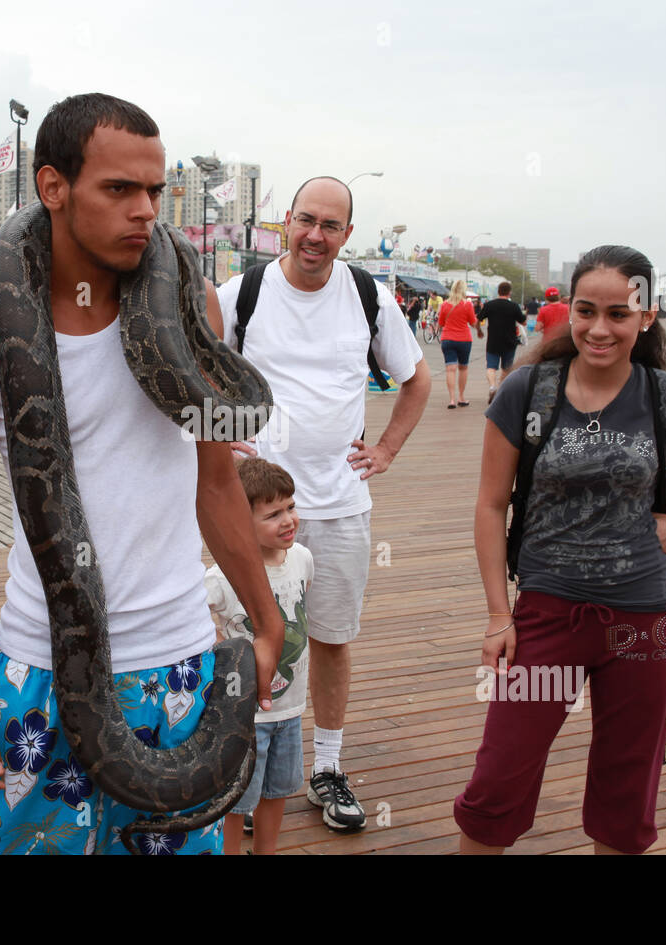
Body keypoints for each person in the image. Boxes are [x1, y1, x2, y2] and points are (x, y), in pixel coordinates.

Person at [0, 92, 283, 856]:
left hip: (180, 664)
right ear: (53, 188)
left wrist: (266, 616)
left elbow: (216, 482)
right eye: (119, 190)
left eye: (154, 191)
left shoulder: (197, 315)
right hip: (34, 669)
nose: (145, 211)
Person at [455, 244, 666, 855]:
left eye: (618, 314)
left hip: (644, 623)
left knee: (627, 792)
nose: (599, 329)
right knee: (498, 781)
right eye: (585, 311)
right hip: (547, 616)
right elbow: (491, 506)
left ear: (645, 317)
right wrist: (500, 614)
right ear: (568, 311)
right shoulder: (527, 391)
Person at [215, 175, 430, 831]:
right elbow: (193, 373)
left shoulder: (369, 296)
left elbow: (416, 378)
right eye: (306, 220)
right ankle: (245, 772)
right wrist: (218, 444)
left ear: (346, 234)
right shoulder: (241, 292)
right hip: (251, 506)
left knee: (331, 637)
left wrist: (387, 447)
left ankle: (327, 768)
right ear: (285, 221)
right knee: (243, 633)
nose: (315, 235)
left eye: (330, 225)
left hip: (337, 504)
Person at [206, 458, 312, 855]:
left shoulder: (302, 559)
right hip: (245, 717)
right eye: (272, 515)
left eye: (290, 508)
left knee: (279, 789)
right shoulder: (221, 575)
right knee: (236, 800)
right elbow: (198, 607)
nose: (288, 521)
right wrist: (218, 639)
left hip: (291, 709)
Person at [479, 280, 526, 403]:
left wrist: (479, 331)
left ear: (498, 291)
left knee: (491, 367)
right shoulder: (514, 306)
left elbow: (478, 319)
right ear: (509, 293)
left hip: (493, 341)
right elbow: (523, 322)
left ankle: (492, 386)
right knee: (506, 368)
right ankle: (501, 391)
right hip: (510, 342)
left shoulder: (490, 305)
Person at [438, 279, 477, 407]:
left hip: (448, 338)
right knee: (463, 368)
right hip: (464, 339)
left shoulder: (445, 304)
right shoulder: (468, 305)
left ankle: (452, 399)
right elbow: (472, 322)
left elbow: (441, 323)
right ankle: (461, 397)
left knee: (450, 369)